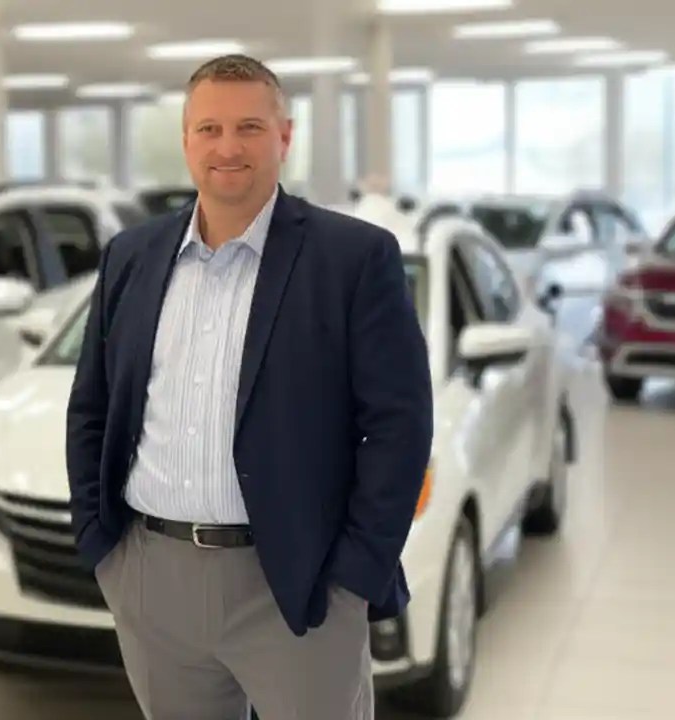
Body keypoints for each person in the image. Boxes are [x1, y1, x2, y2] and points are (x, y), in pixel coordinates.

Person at [66, 53, 433, 720]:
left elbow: (399, 426)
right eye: (208, 129)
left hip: (297, 581)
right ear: (185, 141)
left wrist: (354, 575)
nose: (227, 147)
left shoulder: (354, 258)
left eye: (250, 128)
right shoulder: (131, 257)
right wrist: (102, 544)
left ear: (284, 137)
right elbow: (92, 405)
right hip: (152, 574)